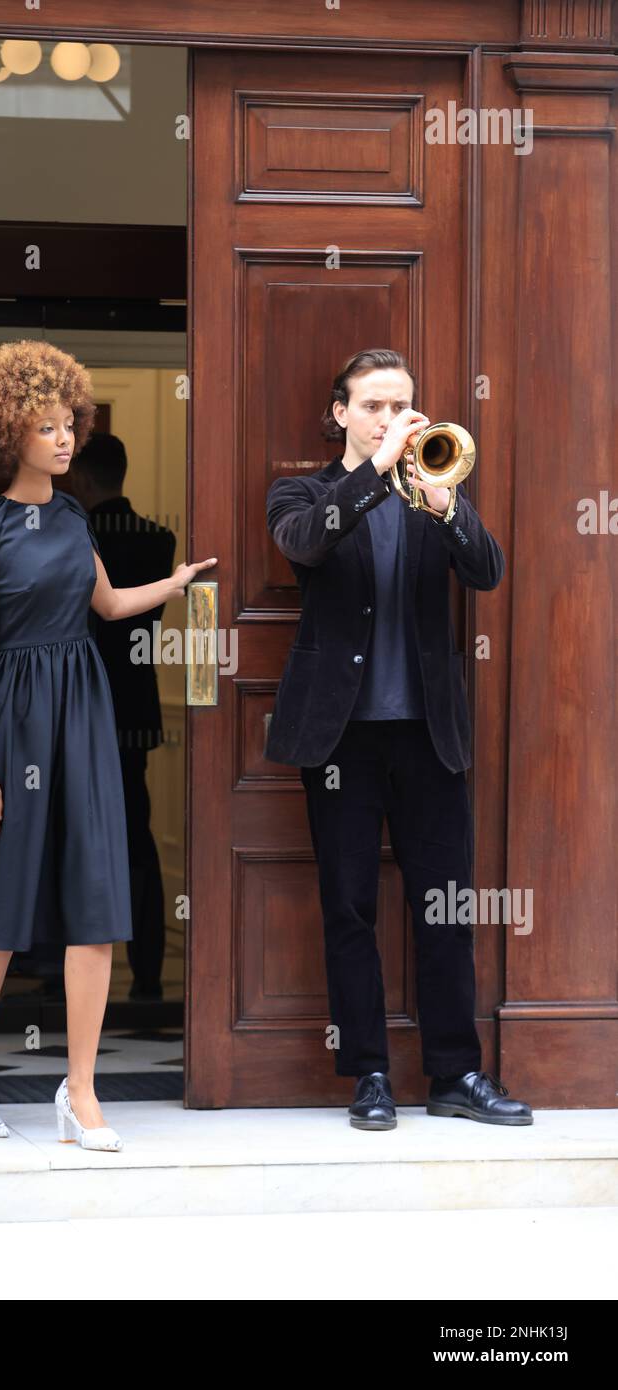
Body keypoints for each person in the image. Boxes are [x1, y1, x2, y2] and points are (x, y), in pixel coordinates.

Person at [0, 339, 215, 1148]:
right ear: (5, 436)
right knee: (2, 907)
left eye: (69, 426)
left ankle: (83, 1093)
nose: (65, 440)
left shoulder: (71, 519)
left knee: (95, 898)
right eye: (47, 428)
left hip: (83, 717)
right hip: (9, 720)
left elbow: (102, 605)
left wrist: (173, 587)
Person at [265, 348, 532, 1130]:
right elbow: (305, 545)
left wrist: (445, 505)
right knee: (348, 908)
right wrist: (374, 471)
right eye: (373, 405)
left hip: (426, 735)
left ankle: (454, 1075)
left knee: (442, 907)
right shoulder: (302, 492)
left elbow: (486, 572)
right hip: (339, 739)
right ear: (340, 413)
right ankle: (370, 1074)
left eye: (400, 405)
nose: (390, 419)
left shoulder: (433, 489)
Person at [67, 432, 177, 1001]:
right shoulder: (159, 539)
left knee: (67, 828)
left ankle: (48, 966)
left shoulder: (73, 533)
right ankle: (151, 975)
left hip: (73, 700)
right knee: (137, 833)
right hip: (133, 705)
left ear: (83, 479)